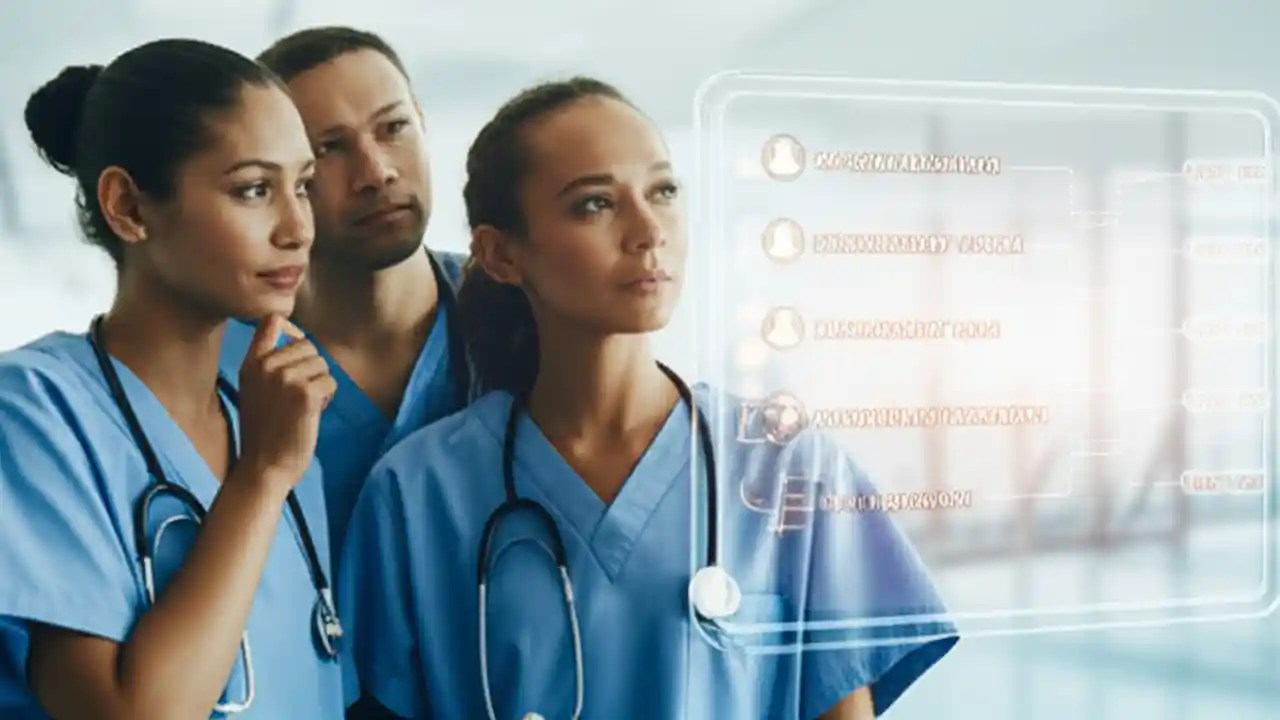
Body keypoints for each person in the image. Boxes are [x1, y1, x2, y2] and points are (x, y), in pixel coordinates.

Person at [338, 77, 959, 719]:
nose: (647, 231)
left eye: (662, 192)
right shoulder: (419, 493)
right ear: (500, 254)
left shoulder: (790, 468)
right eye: (594, 205)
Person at [0, 39, 344, 718]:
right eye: (253, 189)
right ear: (128, 206)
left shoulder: (279, 421)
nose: (298, 227)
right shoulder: (34, 412)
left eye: (301, 185)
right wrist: (260, 479)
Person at [218, 27, 475, 559]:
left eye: (394, 128)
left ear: (423, 122)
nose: (375, 172)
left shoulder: (524, 314)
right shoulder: (222, 369)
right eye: (329, 148)